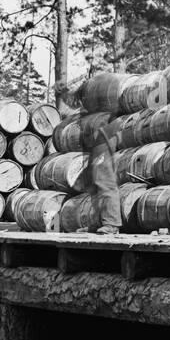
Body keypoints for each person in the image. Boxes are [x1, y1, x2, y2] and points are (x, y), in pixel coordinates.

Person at [56, 79, 122, 236]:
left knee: (104, 180)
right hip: (93, 142)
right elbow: (74, 100)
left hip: (102, 140)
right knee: (92, 184)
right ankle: (97, 222)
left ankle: (111, 223)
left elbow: (114, 115)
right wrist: (63, 92)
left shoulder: (106, 91)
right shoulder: (89, 91)